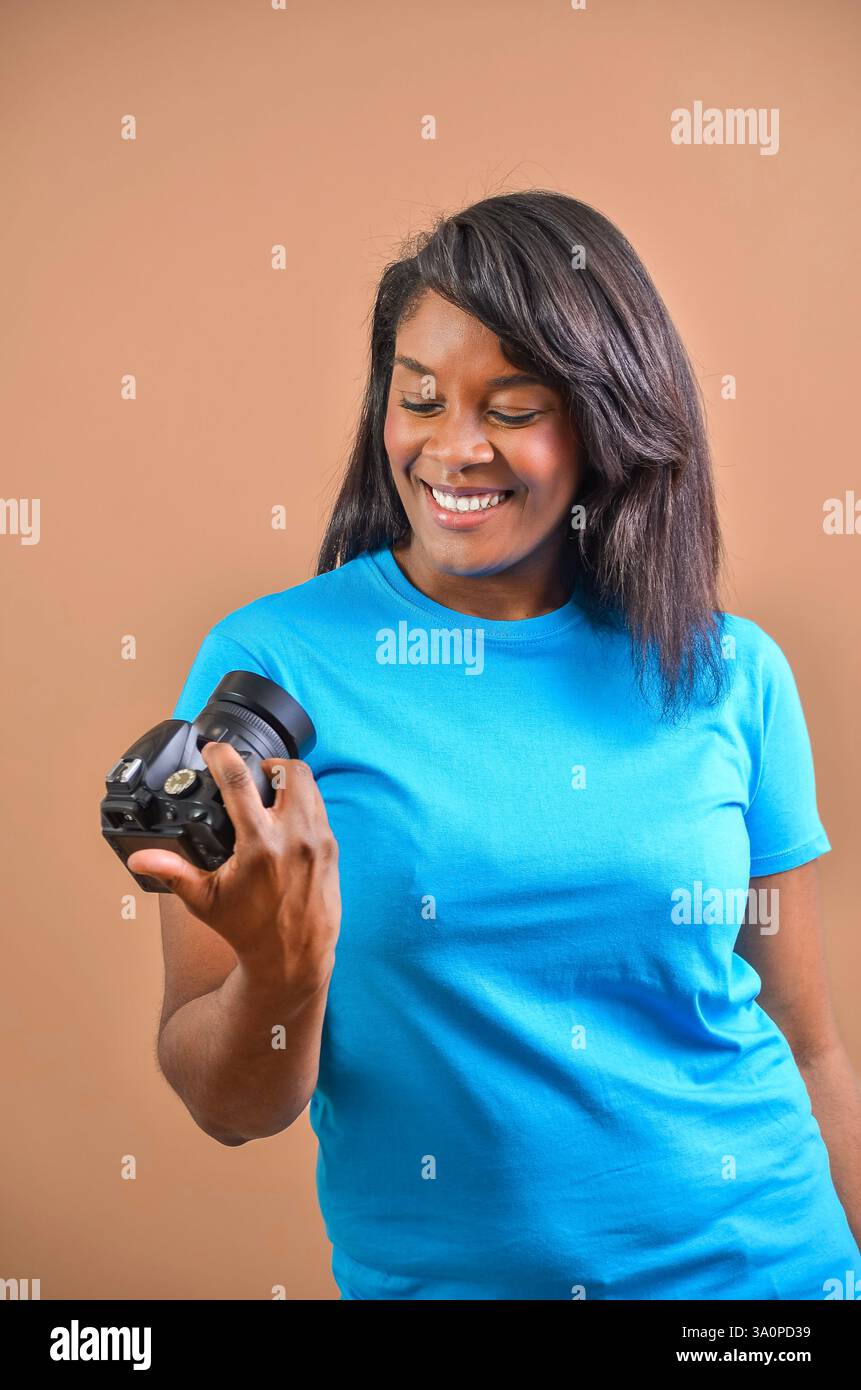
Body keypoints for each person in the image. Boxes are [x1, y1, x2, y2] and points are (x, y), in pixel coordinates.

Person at [127, 190, 861, 1300]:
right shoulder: (274, 671)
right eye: (418, 398)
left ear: (609, 423)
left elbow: (808, 1047)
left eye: (513, 407)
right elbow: (230, 1106)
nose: (453, 448)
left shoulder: (730, 671)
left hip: (767, 1280)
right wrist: (281, 971)